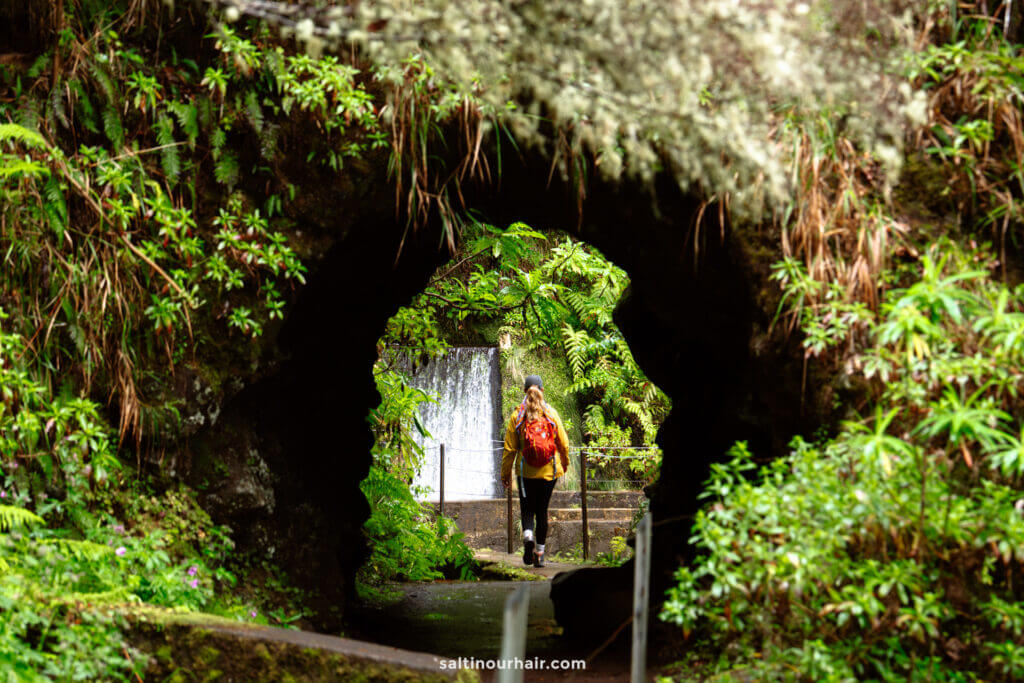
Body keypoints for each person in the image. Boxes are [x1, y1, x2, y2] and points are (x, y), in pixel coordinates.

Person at [500, 374, 570, 568]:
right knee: (542, 511)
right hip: (549, 472)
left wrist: (505, 474)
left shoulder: (517, 416)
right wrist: (564, 464)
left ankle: (528, 537)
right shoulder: (551, 414)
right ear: (542, 390)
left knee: (527, 510)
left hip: (525, 473)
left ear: (525, 391)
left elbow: (509, 449)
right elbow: (564, 443)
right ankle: (539, 554)